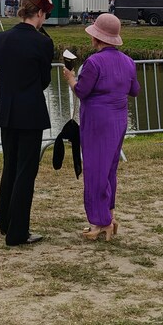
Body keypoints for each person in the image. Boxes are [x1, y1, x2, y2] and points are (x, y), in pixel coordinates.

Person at [0, 0, 55, 246]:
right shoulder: (43, 42)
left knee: (10, 166)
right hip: (31, 112)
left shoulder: (1, 39)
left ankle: (4, 220)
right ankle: (18, 232)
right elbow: (44, 81)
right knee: (25, 172)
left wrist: (2, 95)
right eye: (45, 14)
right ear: (40, 13)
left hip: (7, 112)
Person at [61, 13, 139, 242]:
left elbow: (82, 91)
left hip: (97, 120)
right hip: (119, 119)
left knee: (95, 170)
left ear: (97, 38)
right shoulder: (128, 61)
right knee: (109, 169)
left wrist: (71, 78)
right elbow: (135, 91)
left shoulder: (94, 62)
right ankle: (110, 215)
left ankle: (100, 221)